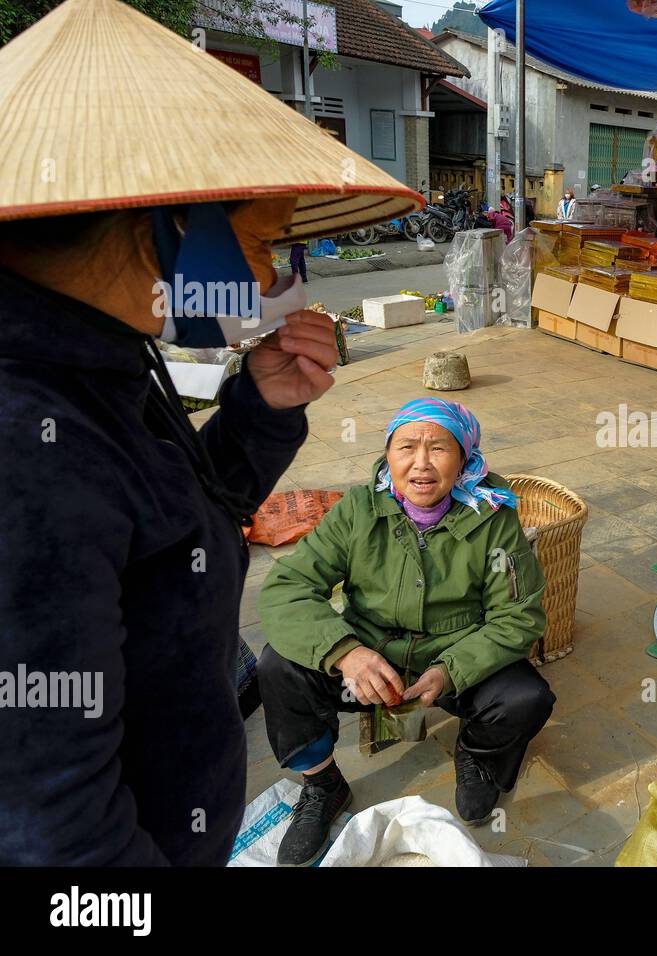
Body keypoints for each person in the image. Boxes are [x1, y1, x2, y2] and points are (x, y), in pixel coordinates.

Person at [0, 0, 423, 865]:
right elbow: (55, 830)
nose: (274, 274)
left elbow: (171, 517)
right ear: (166, 235)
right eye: (265, 242)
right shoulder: (22, 450)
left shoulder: (103, 356)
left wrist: (259, 408)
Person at [257, 398, 553, 866]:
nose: (421, 464)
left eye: (439, 448)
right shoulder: (357, 510)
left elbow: (518, 616)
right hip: (369, 665)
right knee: (279, 664)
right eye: (406, 447)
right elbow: (286, 588)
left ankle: (477, 754)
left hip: (454, 661)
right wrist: (345, 653)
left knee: (524, 697)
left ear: (464, 459)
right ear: (388, 455)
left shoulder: (494, 516)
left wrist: (449, 670)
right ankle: (322, 785)